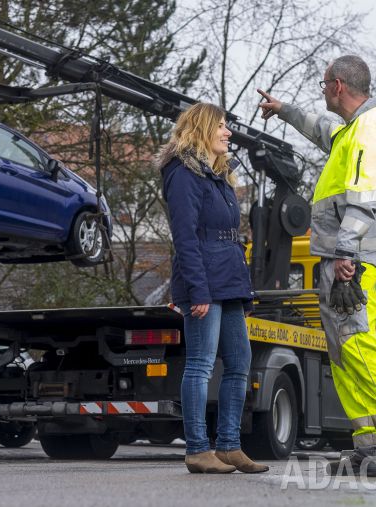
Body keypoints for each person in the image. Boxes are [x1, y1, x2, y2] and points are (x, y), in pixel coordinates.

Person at [257, 55, 376, 476]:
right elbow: (322, 129)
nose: (322, 92)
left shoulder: (372, 131)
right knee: (343, 349)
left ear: (336, 85)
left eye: (322, 85)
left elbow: (366, 198)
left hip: (354, 257)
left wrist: (347, 253)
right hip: (341, 257)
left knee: (358, 341)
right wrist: (285, 111)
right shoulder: (353, 130)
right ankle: (372, 445)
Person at [158, 102, 268, 474]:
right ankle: (196, 450)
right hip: (204, 282)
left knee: (239, 365)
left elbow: (231, 239)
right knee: (201, 365)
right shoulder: (182, 173)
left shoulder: (217, 175)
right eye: (222, 126)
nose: (228, 132)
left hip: (230, 282)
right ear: (204, 128)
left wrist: (245, 292)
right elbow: (185, 237)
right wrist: (198, 291)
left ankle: (229, 447)